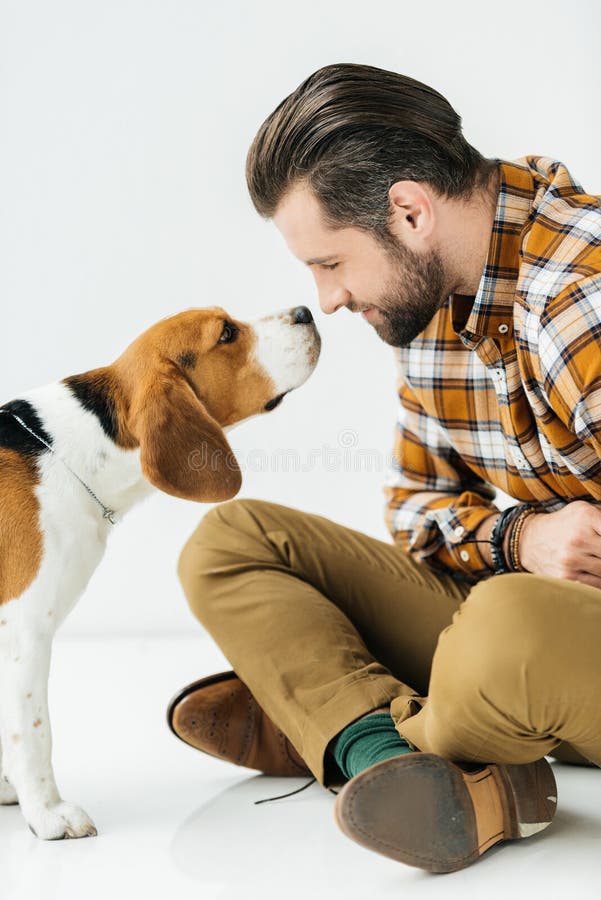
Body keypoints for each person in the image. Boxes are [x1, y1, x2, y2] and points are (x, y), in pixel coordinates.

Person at [167, 63, 601, 874]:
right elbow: (414, 509)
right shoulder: (432, 304)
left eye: (330, 263)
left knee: (505, 623)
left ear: (409, 211)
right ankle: (396, 756)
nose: (327, 299)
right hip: (515, 639)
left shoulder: (581, 302)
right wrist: (521, 538)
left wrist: (538, 588)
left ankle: (342, 722)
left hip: (542, 646)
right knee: (230, 541)